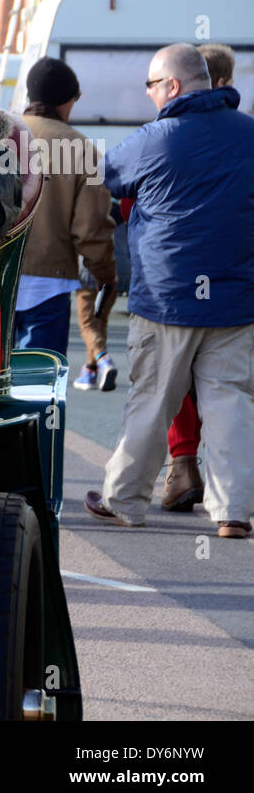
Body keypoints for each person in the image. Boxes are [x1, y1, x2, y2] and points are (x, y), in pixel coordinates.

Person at [85, 43, 254, 538]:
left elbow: (110, 174)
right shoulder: (249, 134)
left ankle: (124, 500)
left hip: (168, 297)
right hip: (236, 297)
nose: (150, 94)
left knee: (152, 398)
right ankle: (235, 511)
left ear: (173, 87)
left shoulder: (153, 139)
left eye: (152, 85)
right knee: (231, 401)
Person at [156, 42, 235, 511]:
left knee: (172, 383)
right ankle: (231, 503)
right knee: (227, 389)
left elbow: (128, 199)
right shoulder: (243, 134)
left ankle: (179, 470)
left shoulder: (168, 134)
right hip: (233, 283)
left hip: (178, 280)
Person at [7, 57, 117, 365]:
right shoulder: (85, 150)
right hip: (50, 284)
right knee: (40, 385)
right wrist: (105, 276)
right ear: (67, 100)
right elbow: (91, 230)